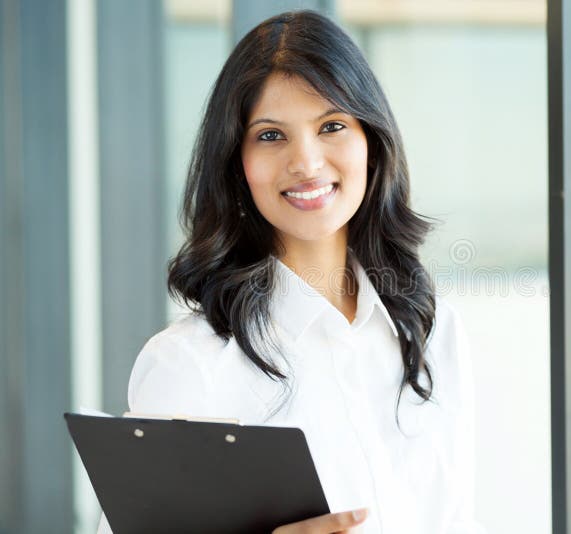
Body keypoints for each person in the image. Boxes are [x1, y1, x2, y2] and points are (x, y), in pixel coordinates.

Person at [97, 9, 484, 534]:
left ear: (371, 143)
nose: (306, 161)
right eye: (271, 135)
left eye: (332, 126)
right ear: (237, 164)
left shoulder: (433, 332)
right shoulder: (192, 364)